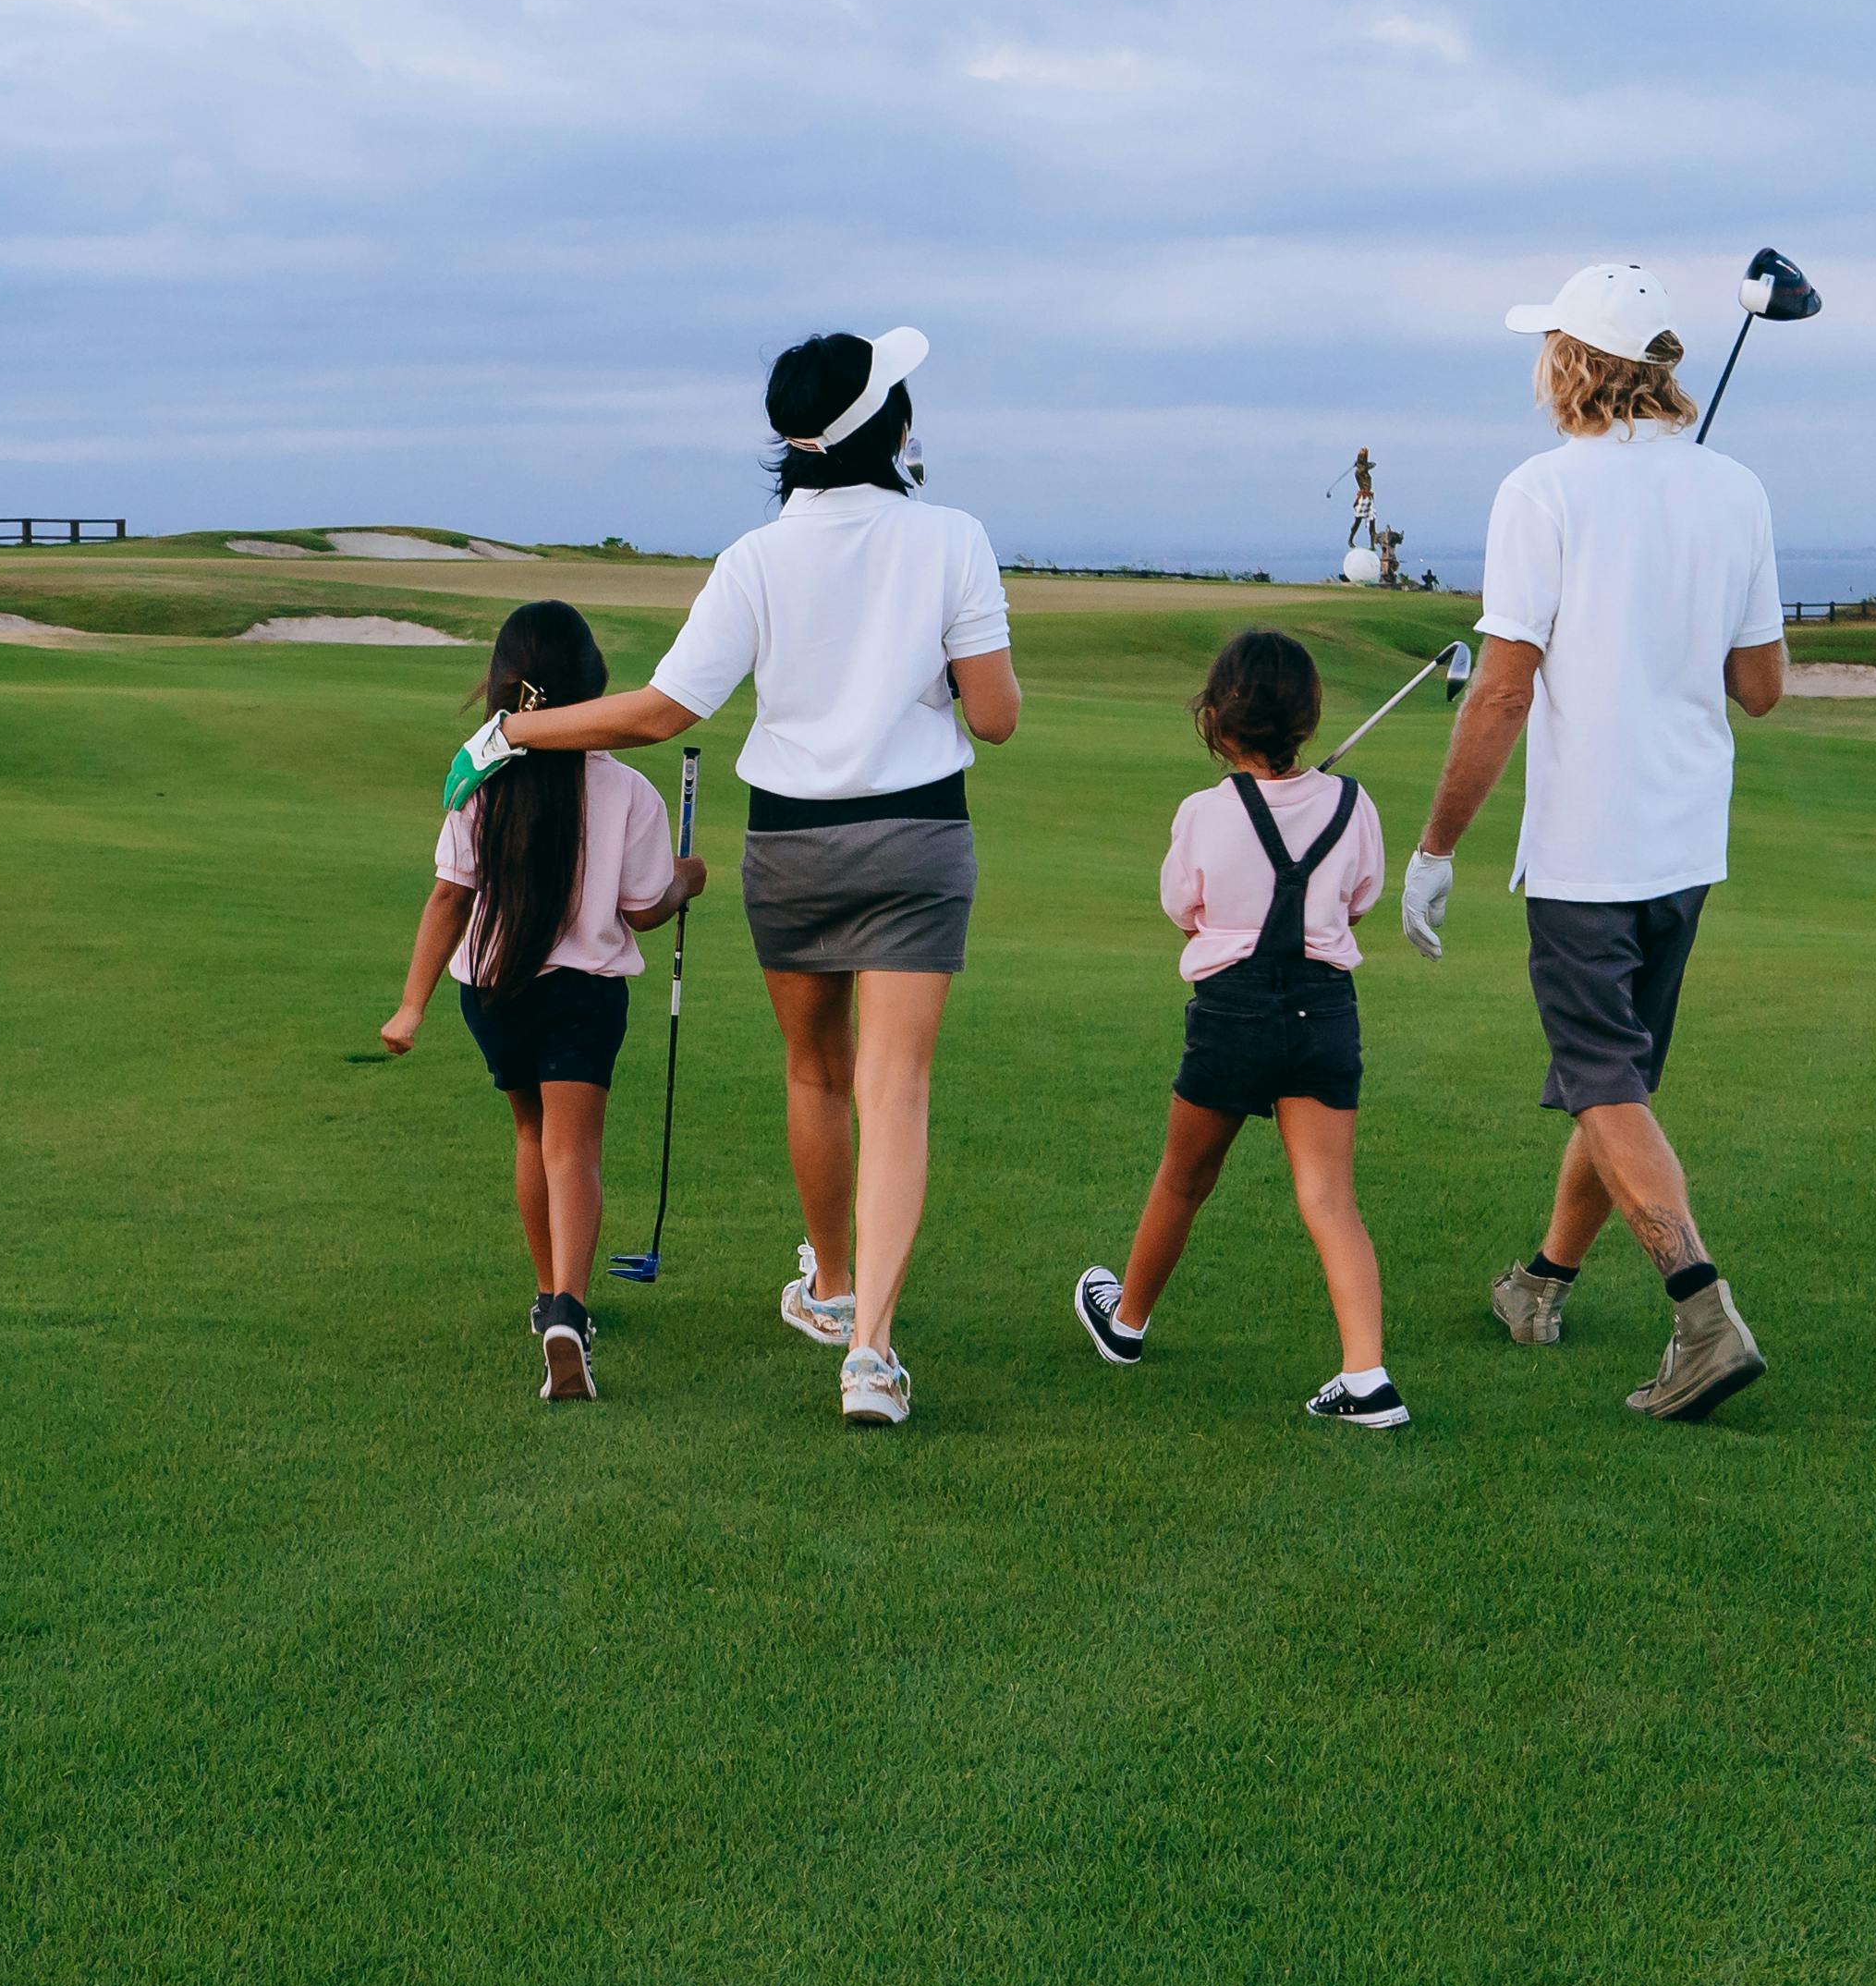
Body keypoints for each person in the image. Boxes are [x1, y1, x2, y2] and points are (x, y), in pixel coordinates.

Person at [461, 329, 1017, 1428]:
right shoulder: (953, 536)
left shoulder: (754, 559)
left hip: (791, 845)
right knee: (892, 1089)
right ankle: (870, 1353)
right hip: (916, 834)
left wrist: (514, 733)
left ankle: (835, 1287)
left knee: (818, 1072)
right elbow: (993, 718)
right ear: (888, 430)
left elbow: (662, 713)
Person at [1396, 261, 1784, 1423]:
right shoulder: (1737, 490)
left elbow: (1501, 694)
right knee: (1613, 1082)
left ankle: (1703, 1313)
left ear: (1573, 363)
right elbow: (1761, 687)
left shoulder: (1540, 491)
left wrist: (1434, 849)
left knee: (1608, 1083)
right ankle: (1542, 1285)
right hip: (1686, 844)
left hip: (1586, 851)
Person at [1074, 628, 1402, 1426]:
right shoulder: (1354, 804)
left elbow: (1181, 908)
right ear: (1308, 719)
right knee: (1329, 1198)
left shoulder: (1202, 813)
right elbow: (1360, 899)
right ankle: (1368, 1379)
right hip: (1324, 1011)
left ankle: (1126, 1324)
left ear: (1220, 721)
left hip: (1231, 1012)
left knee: (1184, 1178)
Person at [383, 601, 708, 1400]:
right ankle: (570, 1307)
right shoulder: (626, 787)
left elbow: (447, 899)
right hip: (582, 995)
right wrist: (686, 880)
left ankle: (546, 1299)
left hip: (491, 993)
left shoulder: (479, 774)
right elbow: (641, 909)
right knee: (575, 1151)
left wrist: (410, 1008)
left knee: (533, 1136)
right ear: (593, 687)